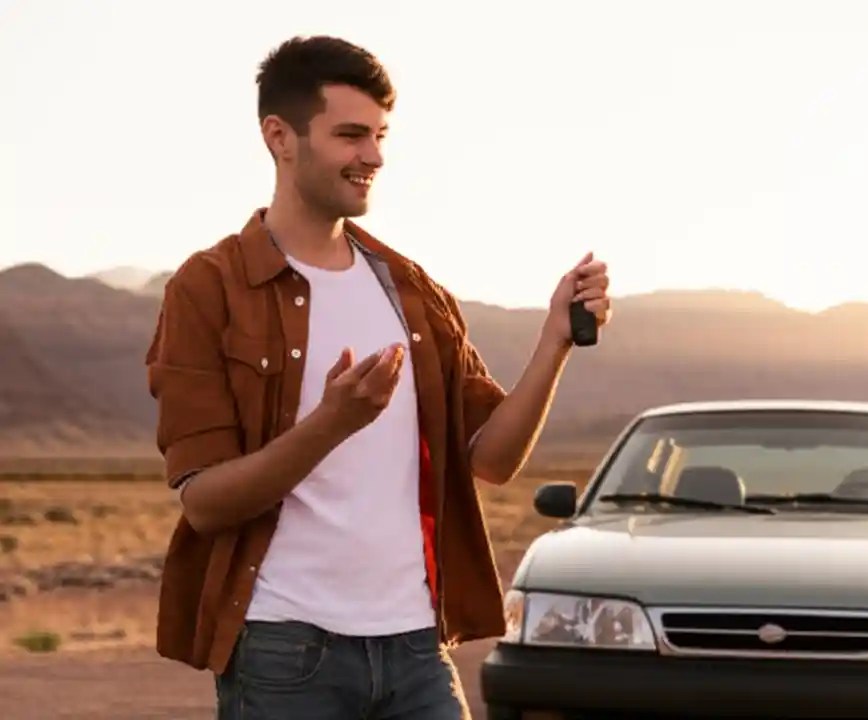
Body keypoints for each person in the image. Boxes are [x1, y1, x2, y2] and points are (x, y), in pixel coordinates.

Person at [144, 35, 611, 719]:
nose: (374, 157)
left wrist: (554, 343)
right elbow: (206, 501)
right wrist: (330, 426)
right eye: (351, 135)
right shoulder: (210, 288)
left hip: (416, 647)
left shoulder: (410, 291)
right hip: (283, 651)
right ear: (280, 136)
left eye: (381, 136)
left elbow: (493, 459)